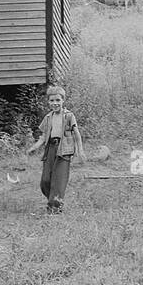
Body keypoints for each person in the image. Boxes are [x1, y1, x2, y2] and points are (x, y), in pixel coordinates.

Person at [26, 85, 84, 213]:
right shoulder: (48, 117)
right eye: (52, 100)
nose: (55, 103)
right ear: (48, 102)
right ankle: (52, 200)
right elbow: (43, 136)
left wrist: (80, 150)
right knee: (45, 181)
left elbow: (76, 133)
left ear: (63, 100)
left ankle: (55, 208)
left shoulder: (68, 116)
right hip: (51, 149)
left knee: (59, 179)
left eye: (58, 100)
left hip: (64, 150)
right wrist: (34, 147)